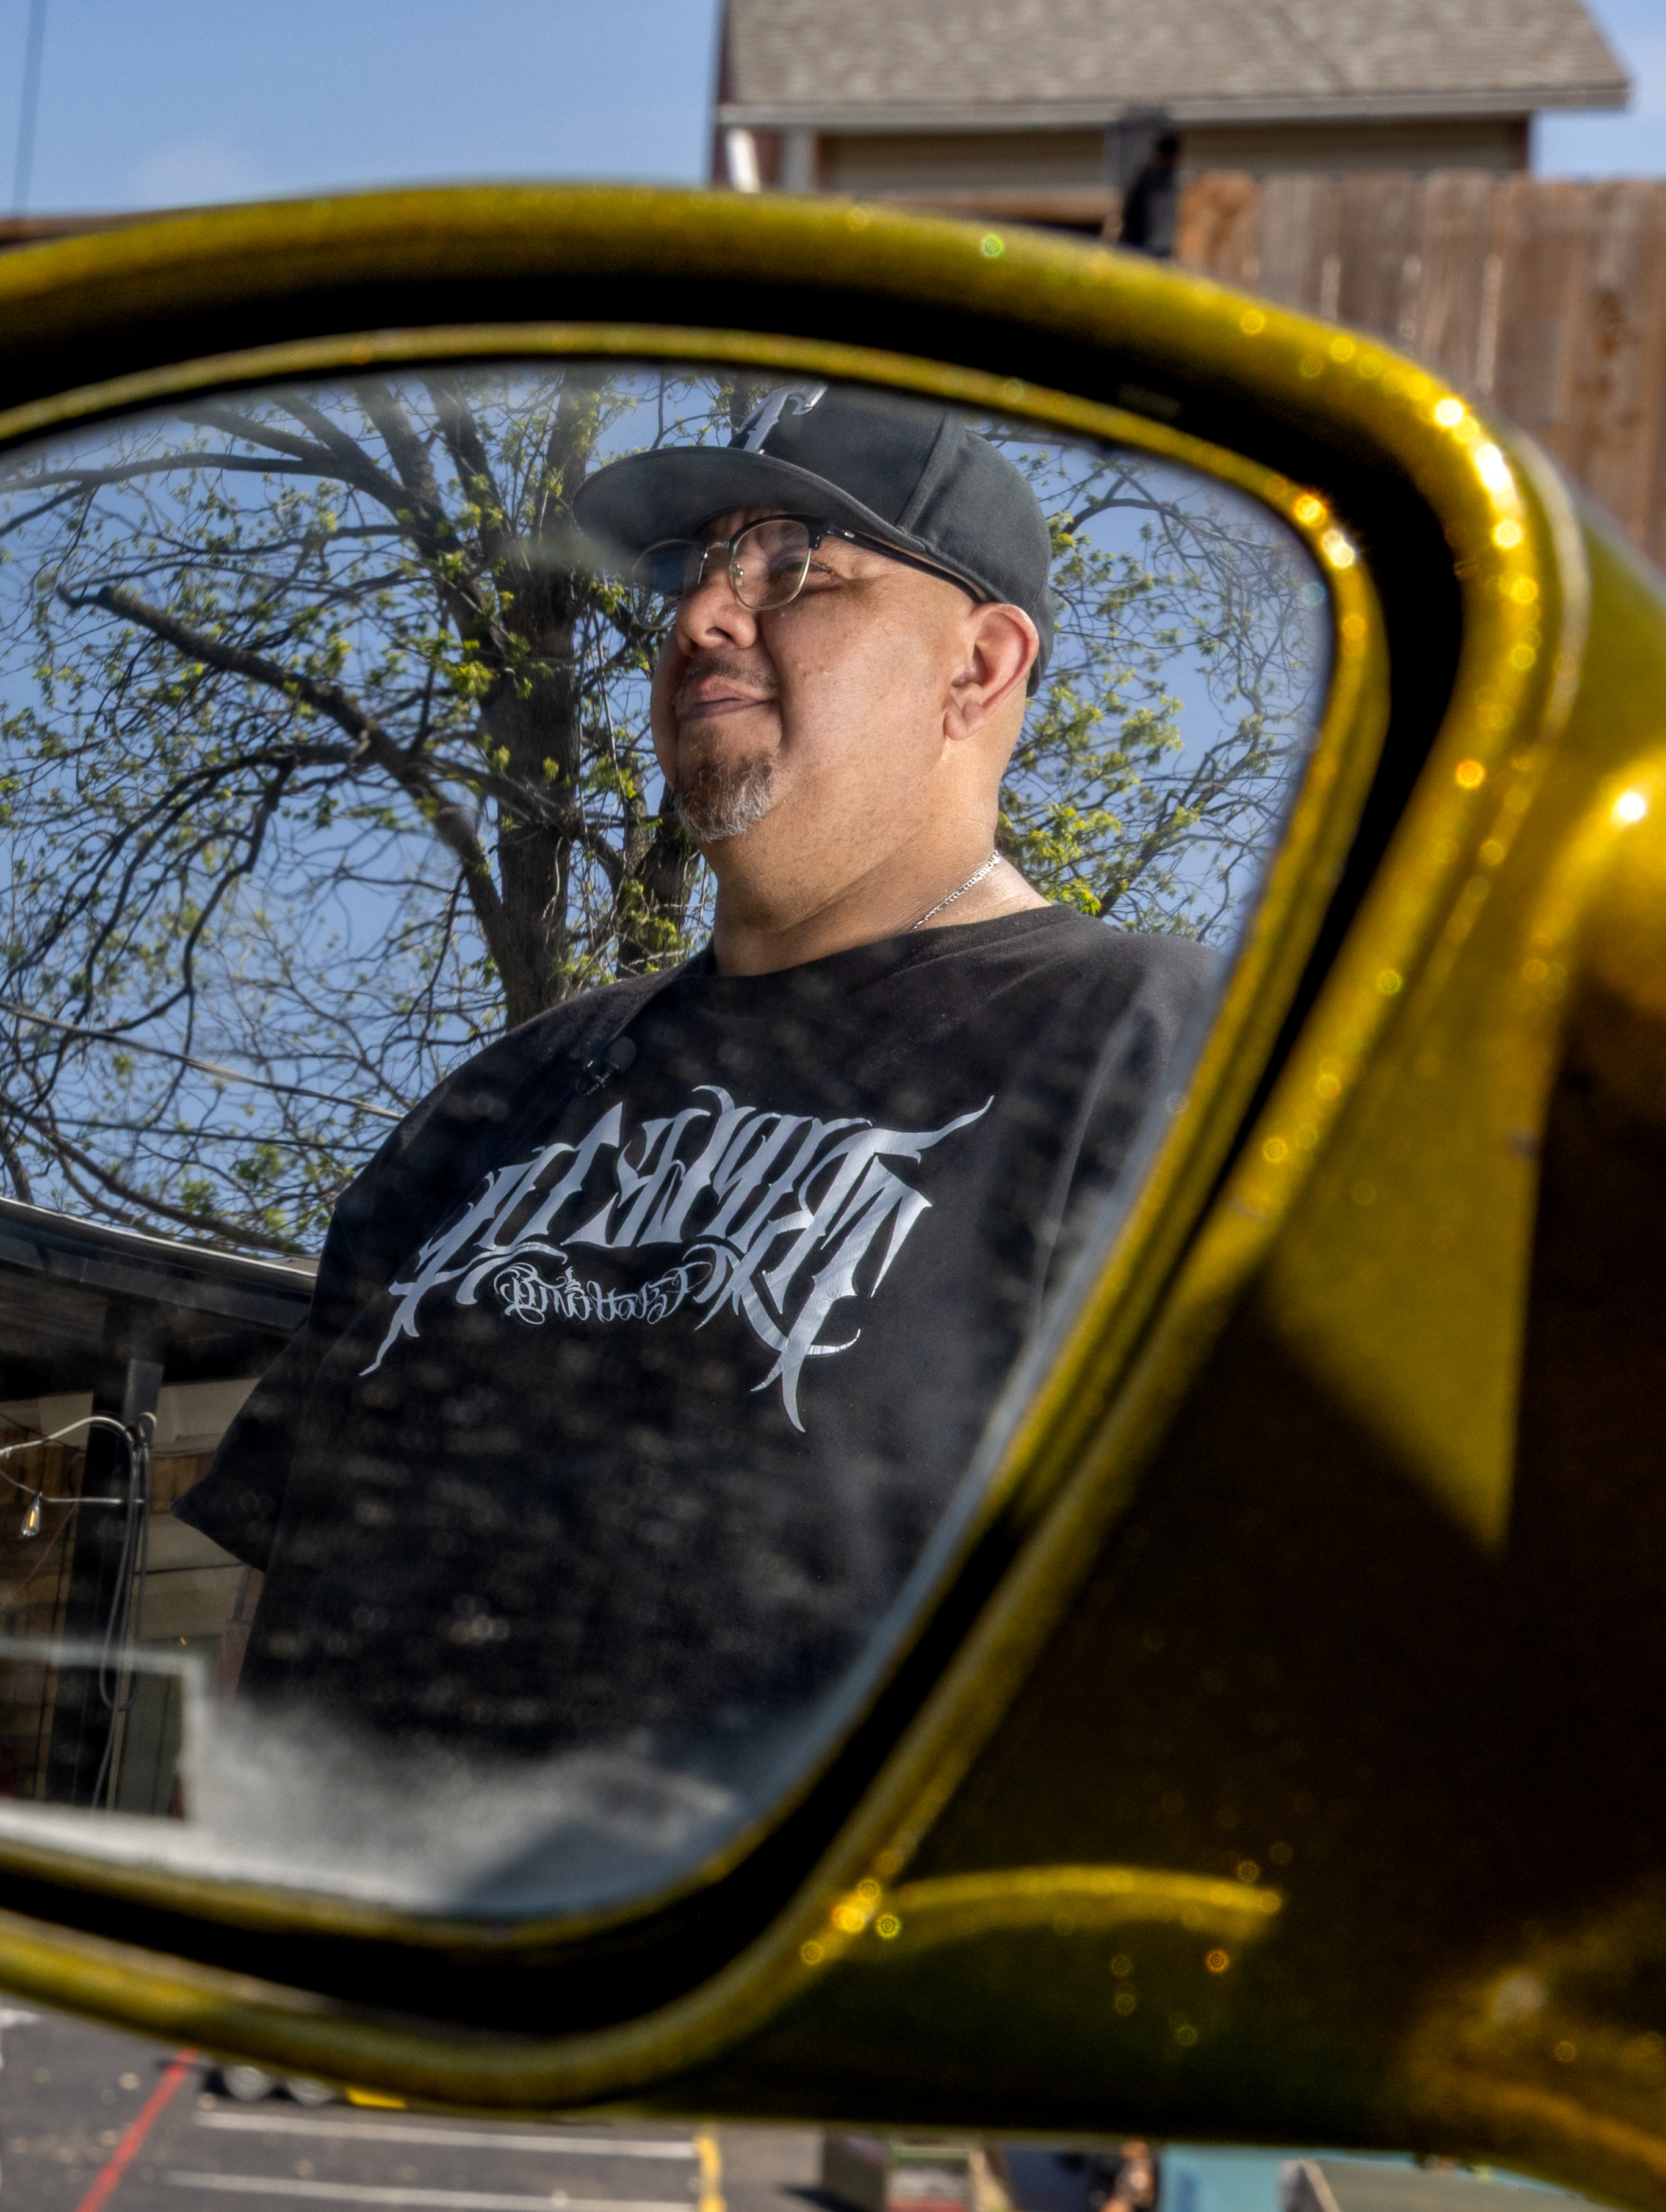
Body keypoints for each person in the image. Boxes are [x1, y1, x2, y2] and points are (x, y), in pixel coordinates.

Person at [178, 389, 1230, 1771]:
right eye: (689, 576)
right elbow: (271, 1584)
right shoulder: (500, 1098)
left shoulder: (1147, 1049)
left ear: (977, 665)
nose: (698, 621)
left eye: (789, 565)